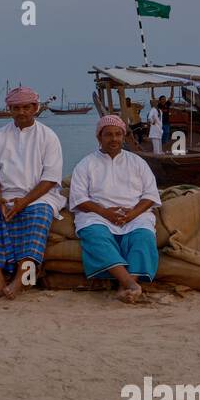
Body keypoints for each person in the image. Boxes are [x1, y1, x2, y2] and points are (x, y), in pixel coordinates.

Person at [0, 85, 64, 300]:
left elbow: (51, 179)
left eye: (26, 107)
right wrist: (0, 200)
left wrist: (24, 202)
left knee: (37, 221)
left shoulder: (49, 137)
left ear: (35, 108)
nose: (21, 112)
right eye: (16, 108)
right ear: (10, 110)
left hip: (39, 197)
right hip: (1, 197)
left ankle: (22, 280)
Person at [68, 114, 161, 303]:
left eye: (118, 134)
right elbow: (78, 199)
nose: (114, 139)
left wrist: (131, 214)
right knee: (95, 235)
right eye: (108, 134)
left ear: (124, 136)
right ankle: (130, 284)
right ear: (99, 137)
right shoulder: (86, 164)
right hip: (97, 214)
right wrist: (106, 213)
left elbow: (150, 195)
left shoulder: (137, 162)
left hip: (134, 214)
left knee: (143, 237)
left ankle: (124, 287)